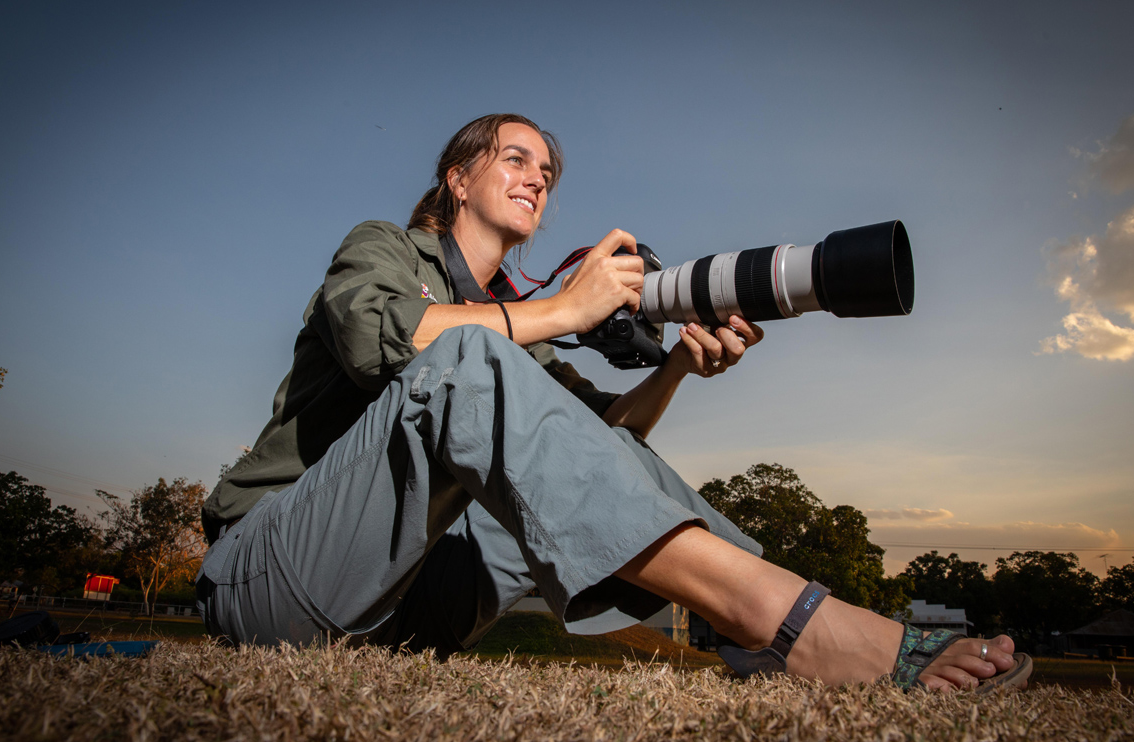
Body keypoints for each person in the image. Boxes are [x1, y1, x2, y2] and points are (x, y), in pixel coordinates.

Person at [197, 113, 1027, 692]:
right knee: (468, 360)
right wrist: (562, 311)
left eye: (547, 173)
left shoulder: (514, 329)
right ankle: (799, 626)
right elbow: (373, 338)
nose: (537, 179)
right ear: (457, 179)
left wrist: (676, 372)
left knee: (589, 439)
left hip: (405, 615)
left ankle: (759, 640)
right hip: (273, 577)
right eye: (514, 159)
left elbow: (599, 440)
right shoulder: (383, 247)